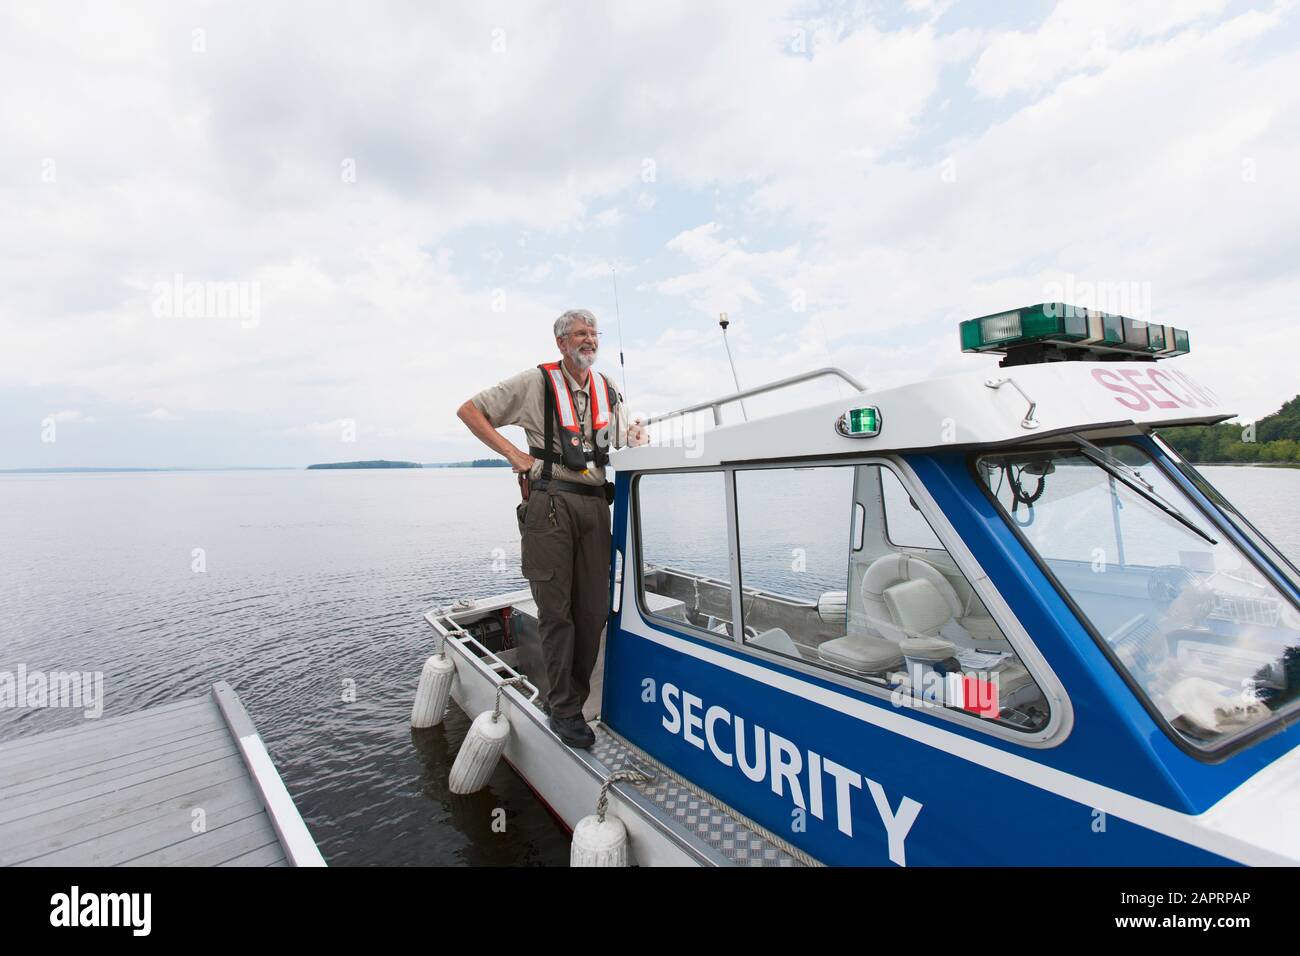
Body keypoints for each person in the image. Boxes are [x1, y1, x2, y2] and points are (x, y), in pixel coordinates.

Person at [456, 309, 646, 748]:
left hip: (597, 506)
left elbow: (619, 439)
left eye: (594, 334)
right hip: (550, 506)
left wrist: (634, 438)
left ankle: (572, 700)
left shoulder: (609, 389)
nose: (589, 340)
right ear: (560, 343)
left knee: (594, 611)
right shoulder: (535, 382)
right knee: (557, 612)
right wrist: (513, 455)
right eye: (580, 334)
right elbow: (470, 411)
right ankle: (563, 710)